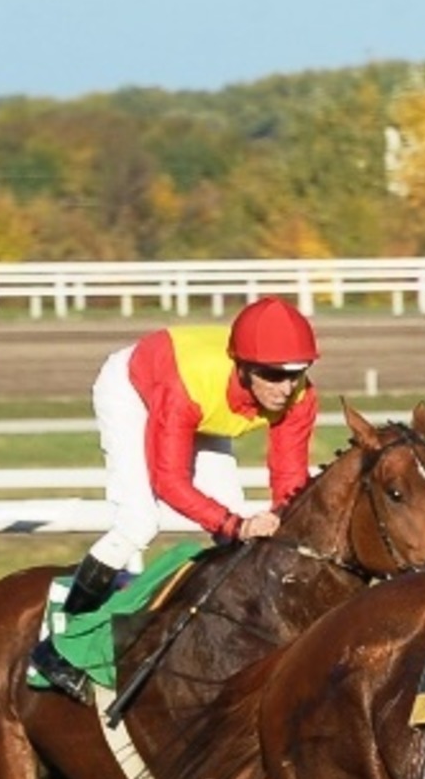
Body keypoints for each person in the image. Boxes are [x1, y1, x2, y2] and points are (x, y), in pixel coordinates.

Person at [30, 297, 320, 700]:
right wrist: (236, 524)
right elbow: (169, 480)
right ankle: (56, 645)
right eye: (274, 375)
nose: (287, 387)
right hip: (137, 390)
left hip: (205, 408)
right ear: (244, 368)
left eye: (297, 373)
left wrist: (279, 524)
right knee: (139, 521)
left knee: (236, 529)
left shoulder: (299, 398)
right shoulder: (189, 386)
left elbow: (289, 482)